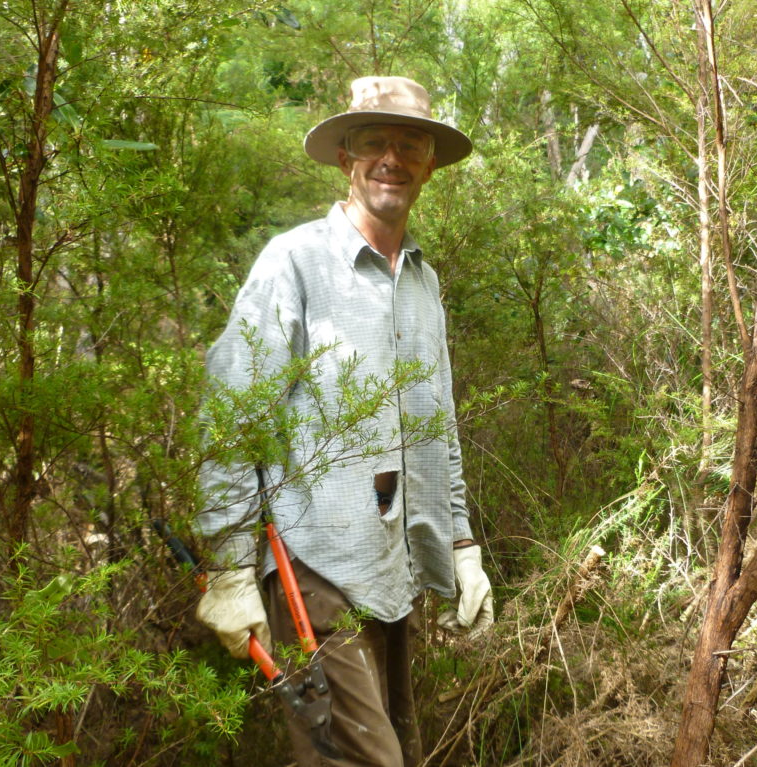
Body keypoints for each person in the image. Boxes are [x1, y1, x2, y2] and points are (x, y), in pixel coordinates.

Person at [193, 76, 493, 766]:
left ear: (430, 161)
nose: (392, 156)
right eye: (372, 141)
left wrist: (462, 542)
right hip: (313, 572)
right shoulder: (293, 262)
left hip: (396, 574)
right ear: (344, 159)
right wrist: (232, 568)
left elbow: (436, 426)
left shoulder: (422, 278)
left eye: (410, 142)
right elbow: (234, 416)